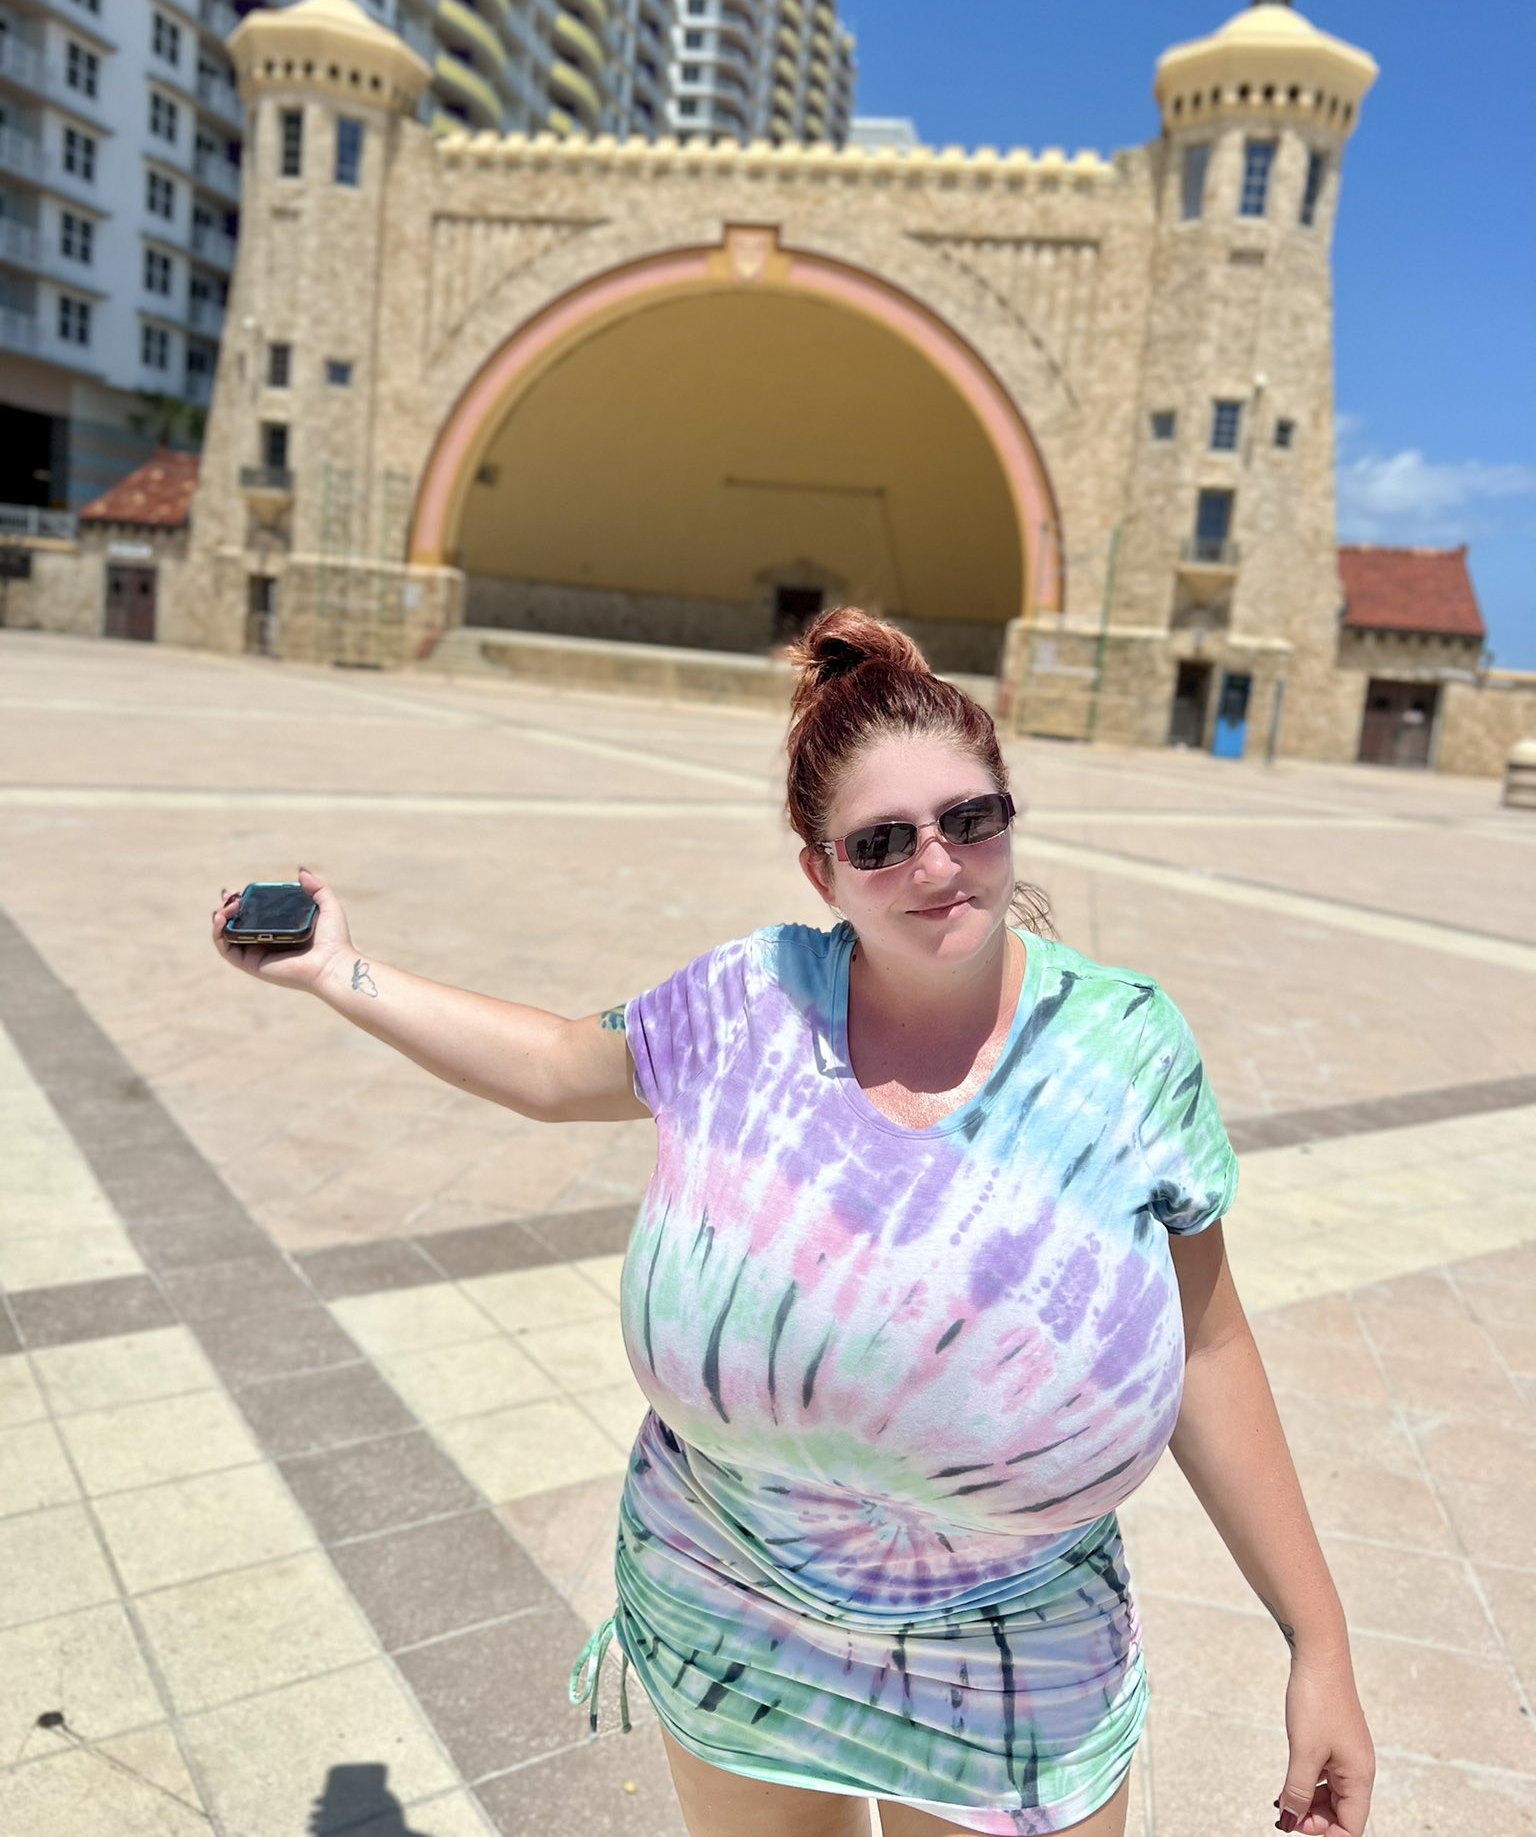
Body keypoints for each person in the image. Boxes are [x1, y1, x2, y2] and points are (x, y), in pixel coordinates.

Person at [211, 608, 1375, 1837]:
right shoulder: (745, 1000)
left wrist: (1319, 1640)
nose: (938, 864)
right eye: (882, 840)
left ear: (1009, 816)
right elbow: (557, 1064)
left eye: (969, 818)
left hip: (1016, 1665)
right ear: (822, 872)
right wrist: (338, 968)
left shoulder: (1129, 1047)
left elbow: (1208, 1343)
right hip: (730, 1612)